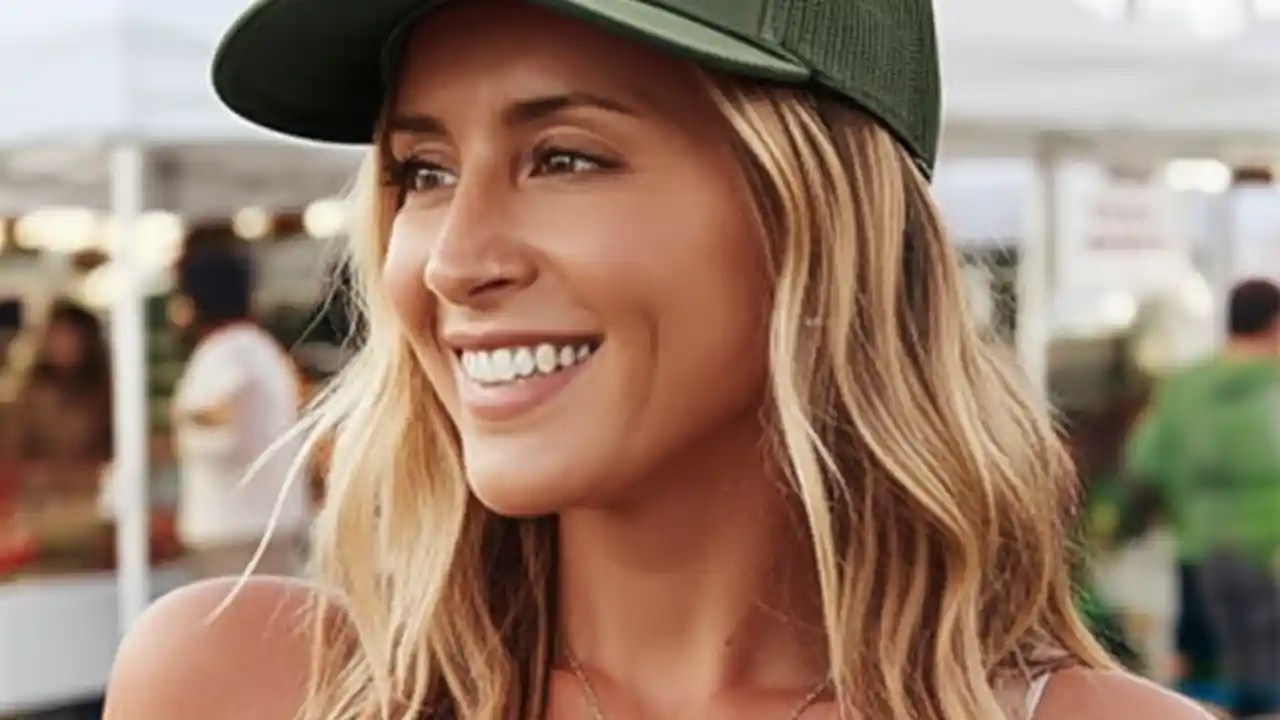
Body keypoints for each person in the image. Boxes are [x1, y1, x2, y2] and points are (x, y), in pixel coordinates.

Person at [106, 1, 1213, 719]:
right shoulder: (241, 686)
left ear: (817, 216)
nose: (453, 262)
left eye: (564, 158)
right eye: (424, 172)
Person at [1123, 278, 1280, 718]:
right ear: (1275, 325)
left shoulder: (1185, 387)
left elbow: (1144, 462)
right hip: (1269, 558)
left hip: (1199, 554)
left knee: (1202, 685)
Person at [167, 242, 312, 579]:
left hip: (234, 531)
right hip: (269, 520)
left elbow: (225, 413)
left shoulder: (224, 352)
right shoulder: (262, 348)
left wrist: (186, 417)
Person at [2, 299, 113, 500]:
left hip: (91, 496)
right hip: (38, 499)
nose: (65, 344)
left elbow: (112, 452)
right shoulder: (24, 392)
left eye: (72, 335)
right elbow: (12, 455)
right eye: (59, 335)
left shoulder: (103, 392)